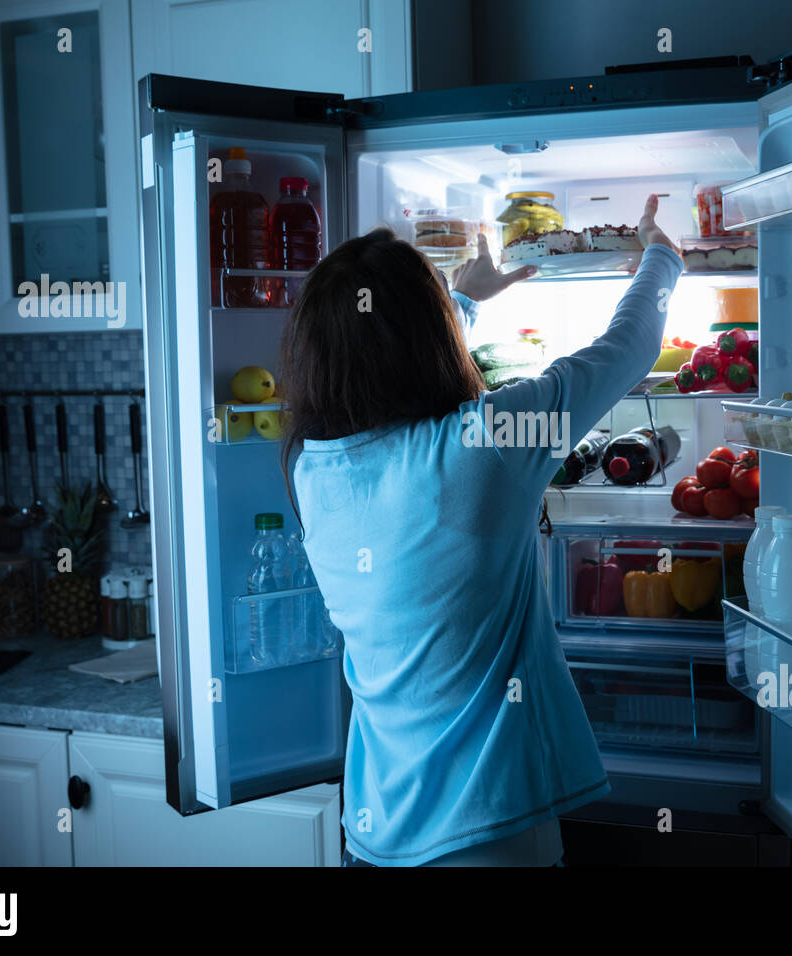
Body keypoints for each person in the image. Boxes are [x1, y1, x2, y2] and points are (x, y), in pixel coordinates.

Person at [280, 196, 683, 866]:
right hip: (488, 839)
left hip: (372, 834)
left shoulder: (312, 470)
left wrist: (463, 300)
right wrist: (662, 256)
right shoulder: (484, 443)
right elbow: (628, 349)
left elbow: (384, 375)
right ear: (427, 335)